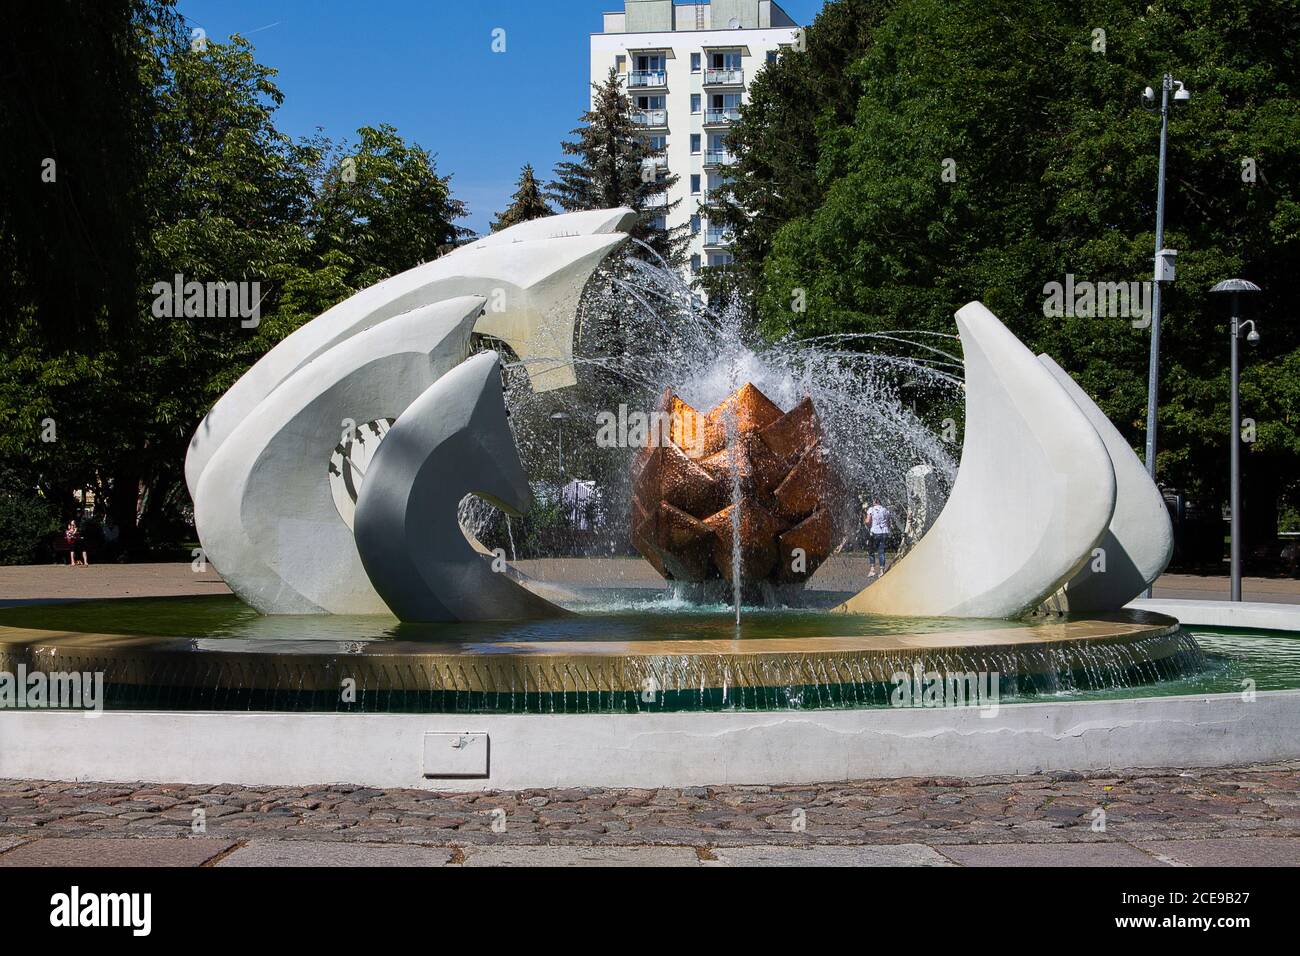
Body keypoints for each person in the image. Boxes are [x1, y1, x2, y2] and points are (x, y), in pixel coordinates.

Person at [863, 497, 893, 577]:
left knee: (871, 550)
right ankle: (882, 571)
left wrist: (864, 519)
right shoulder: (886, 510)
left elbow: (868, 522)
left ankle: (872, 569)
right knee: (881, 552)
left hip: (874, 532)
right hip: (884, 532)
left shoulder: (871, 510)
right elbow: (888, 523)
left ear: (874, 501)